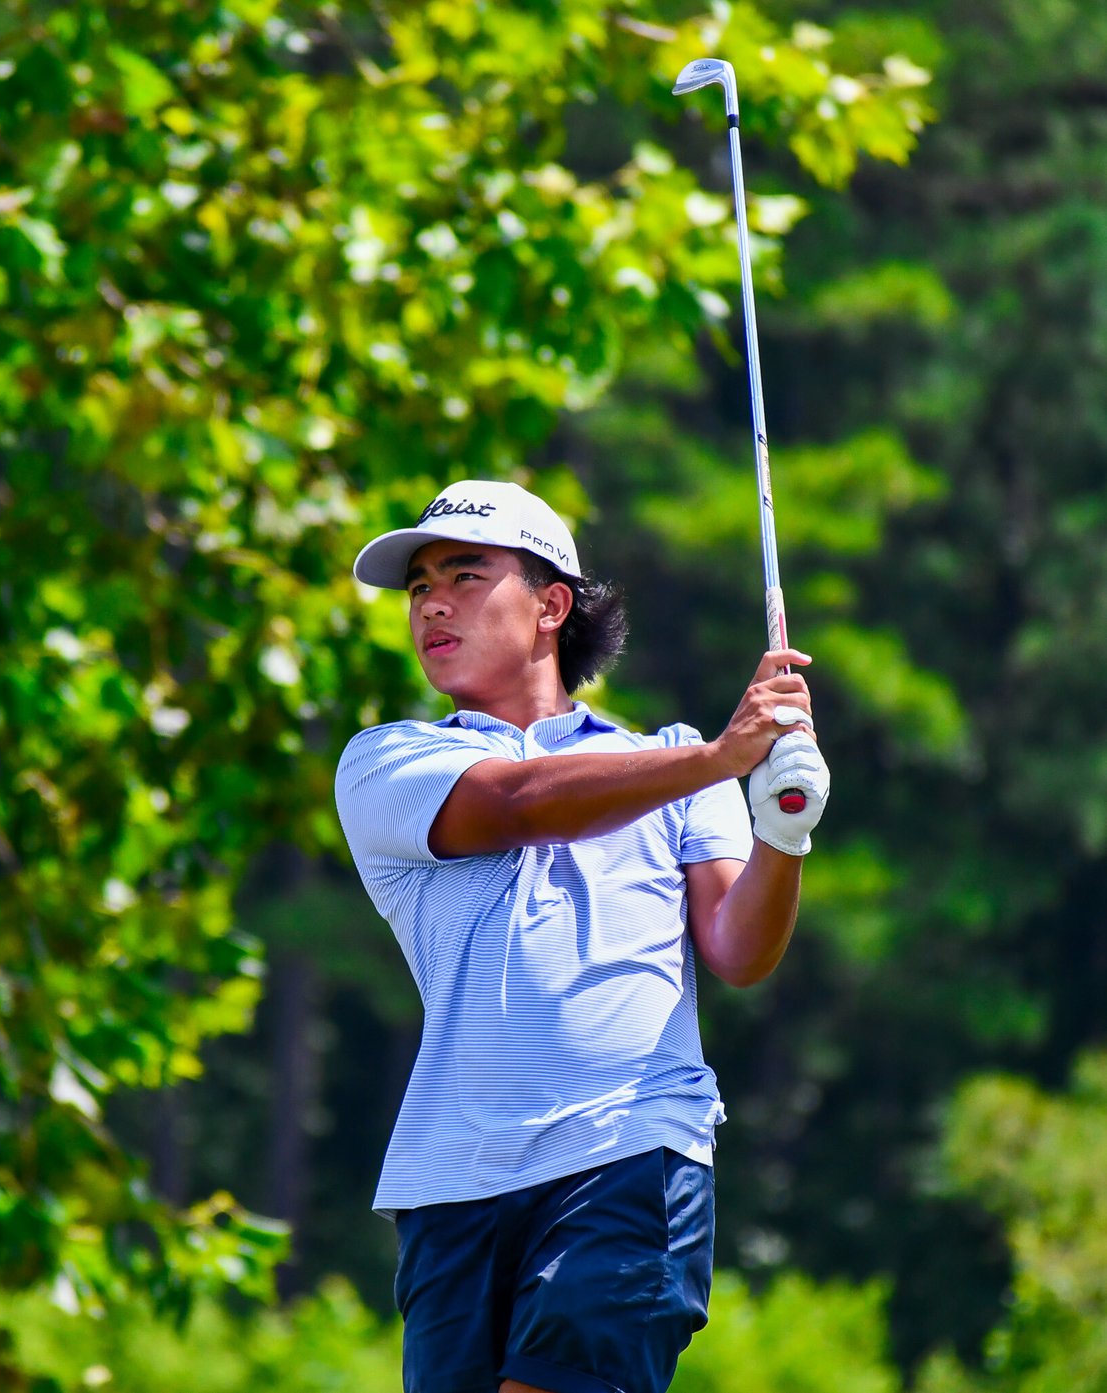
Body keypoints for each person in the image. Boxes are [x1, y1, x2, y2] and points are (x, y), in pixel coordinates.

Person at [335, 478, 830, 1393]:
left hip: (629, 1148)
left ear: (551, 605)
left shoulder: (673, 760)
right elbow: (518, 803)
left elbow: (737, 947)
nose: (432, 602)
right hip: (451, 1177)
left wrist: (782, 830)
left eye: (465, 574)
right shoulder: (387, 761)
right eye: (419, 587)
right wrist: (719, 759)